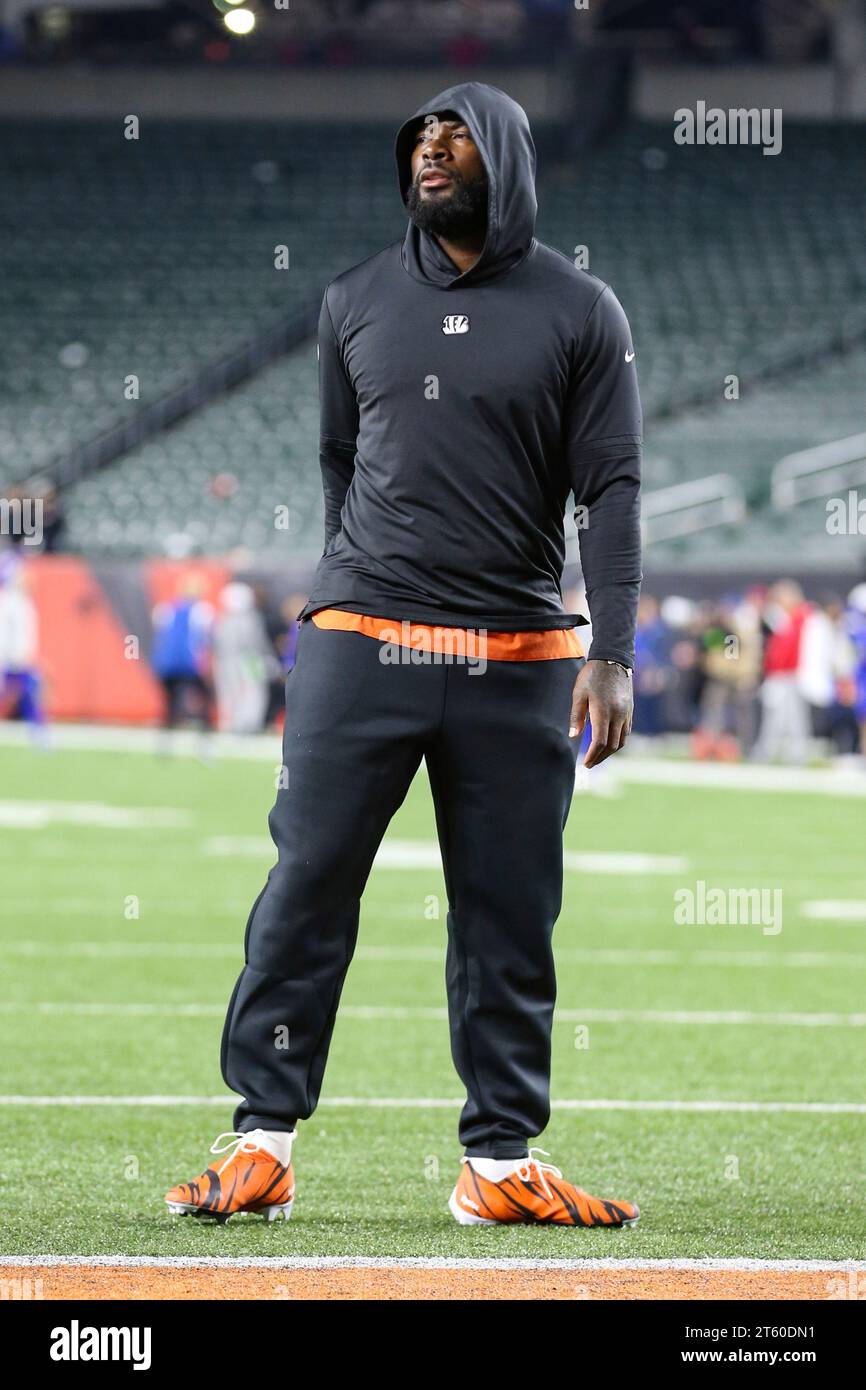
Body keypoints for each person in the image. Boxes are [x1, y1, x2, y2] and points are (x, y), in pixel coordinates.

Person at [166, 83, 642, 1228]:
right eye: (419, 139)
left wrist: (612, 650)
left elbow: (611, 488)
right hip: (362, 642)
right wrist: (365, 582)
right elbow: (340, 460)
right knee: (306, 889)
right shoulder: (354, 298)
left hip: (522, 650)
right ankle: (261, 1140)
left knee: (507, 912)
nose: (431, 151)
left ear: (507, 161)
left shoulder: (581, 309)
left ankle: (498, 1161)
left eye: (456, 135)